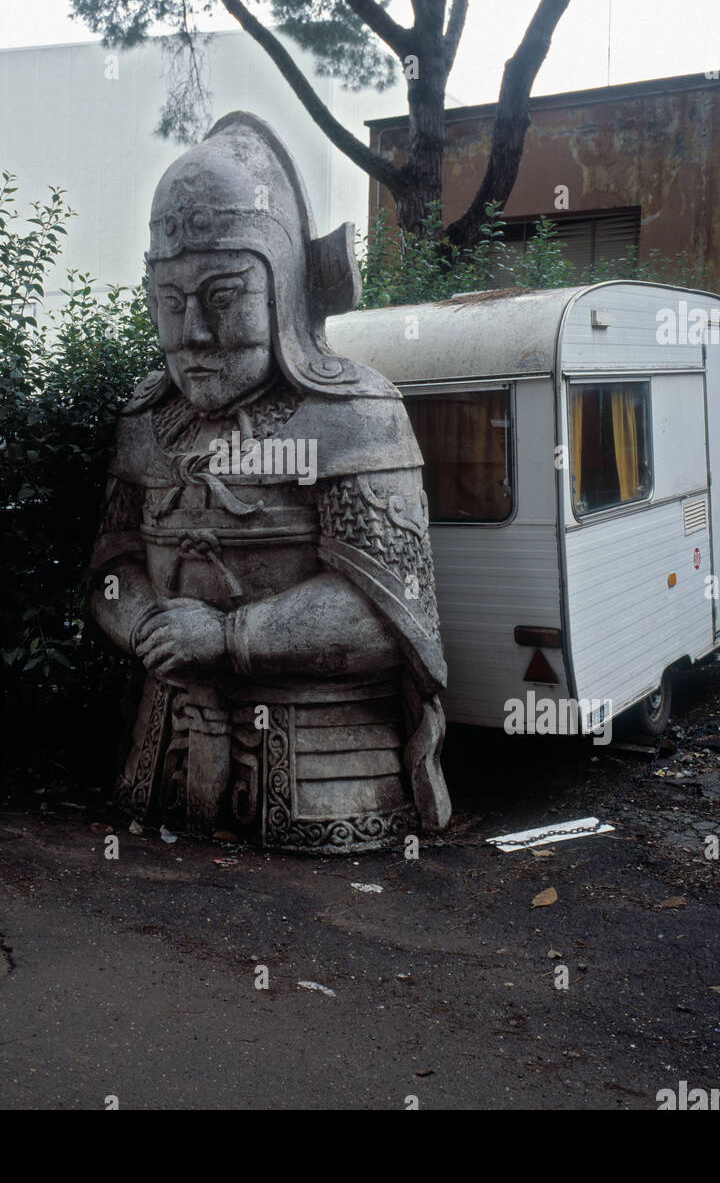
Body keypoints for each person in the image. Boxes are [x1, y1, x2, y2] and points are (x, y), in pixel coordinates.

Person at [87, 112, 450, 851]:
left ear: (283, 289)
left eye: (224, 298)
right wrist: (152, 630)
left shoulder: (353, 415)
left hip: (329, 769)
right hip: (165, 747)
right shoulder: (145, 418)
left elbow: (391, 611)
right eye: (170, 300)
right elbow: (112, 570)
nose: (192, 332)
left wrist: (225, 634)